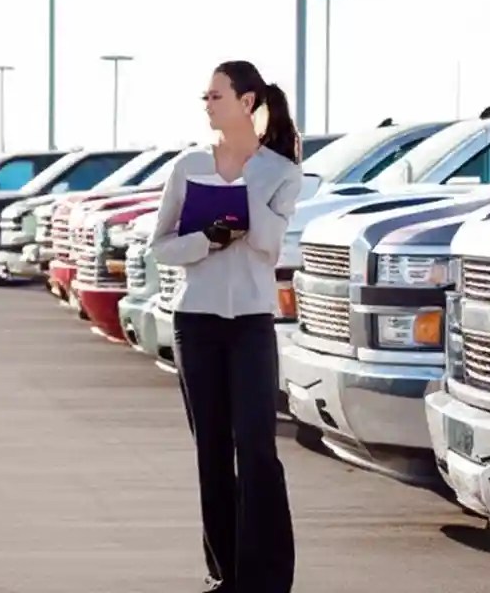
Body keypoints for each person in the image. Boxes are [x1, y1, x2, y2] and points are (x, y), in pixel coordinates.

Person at [148, 60, 301, 593]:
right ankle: (225, 577)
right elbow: (160, 245)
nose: (208, 104)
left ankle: (268, 580)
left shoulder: (281, 172)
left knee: (257, 449)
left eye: (216, 95)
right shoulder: (187, 166)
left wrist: (243, 179)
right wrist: (205, 240)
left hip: (252, 325)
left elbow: (269, 244)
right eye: (205, 97)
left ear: (247, 102)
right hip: (197, 322)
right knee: (212, 451)